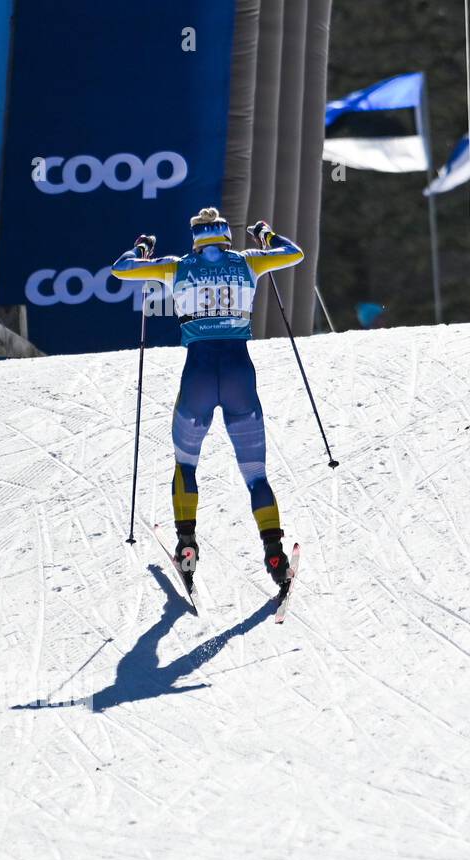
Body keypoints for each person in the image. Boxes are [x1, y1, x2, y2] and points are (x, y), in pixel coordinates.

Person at [112, 208, 304, 593]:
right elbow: (294, 253)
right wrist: (265, 234)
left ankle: (187, 545)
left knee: (185, 465)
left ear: (195, 238)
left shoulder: (176, 266)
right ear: (226, 235)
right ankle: (274, 553)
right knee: (256, 476)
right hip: (240, 381)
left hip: (198, 377)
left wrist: (142, 248)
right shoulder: (248, 262)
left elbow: (121, 269)